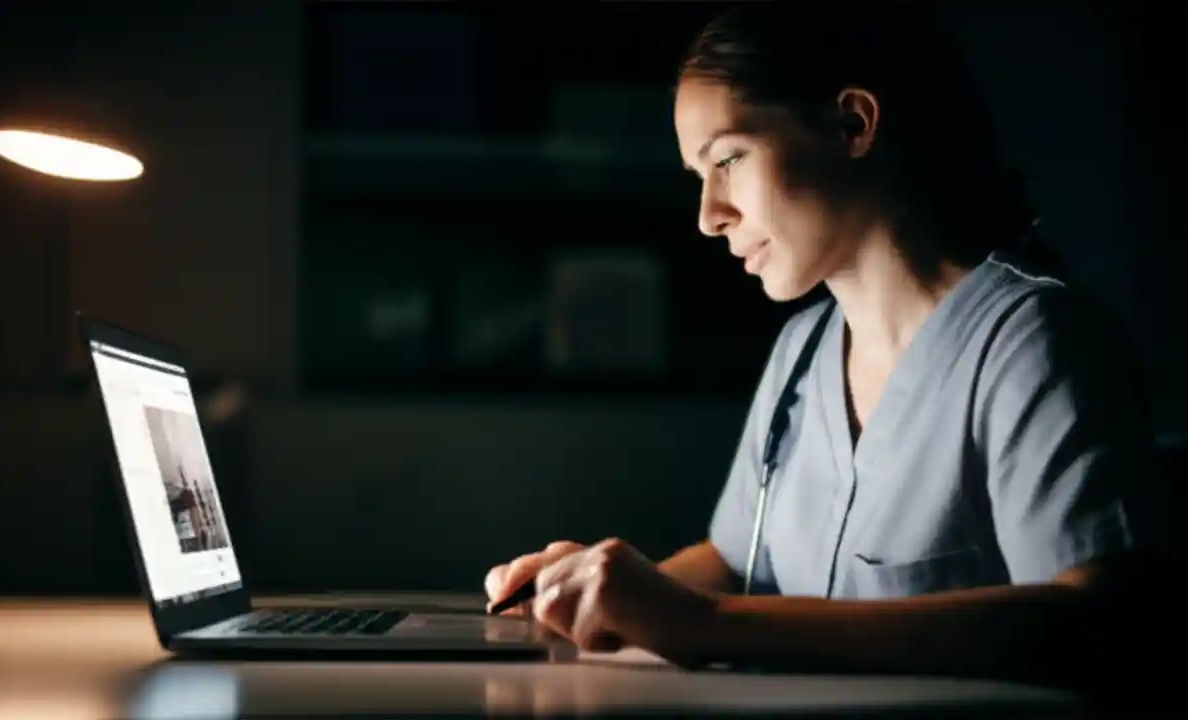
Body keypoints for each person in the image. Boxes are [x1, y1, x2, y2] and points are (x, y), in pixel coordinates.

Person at [483, 1, 1171, 691]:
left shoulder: (1033, 343)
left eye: (728, 158)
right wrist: (596, 592)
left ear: (852, 124)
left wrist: (707, 624)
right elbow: (730, 564)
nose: (709, 216)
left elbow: (1098, 620)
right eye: (700, 178)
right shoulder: (802, 352)